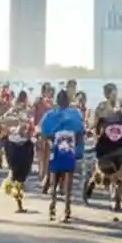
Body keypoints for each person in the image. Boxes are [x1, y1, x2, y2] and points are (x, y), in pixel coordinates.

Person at [39, 90, 86, 222]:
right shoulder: (75, 115)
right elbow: (80, 132)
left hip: (56, 150)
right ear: (67, 101)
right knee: (68, 181)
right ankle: (67, 209)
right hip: (69, 149)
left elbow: (44, 132)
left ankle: (52, 206)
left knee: (54, 180)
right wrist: (79, 151)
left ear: (57, 101)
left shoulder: (50, 115)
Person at [86, 83, 122, 219]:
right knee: (105, 172)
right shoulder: (101, 107)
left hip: (121, 143)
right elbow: (93, 124)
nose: (114, 95)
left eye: (115, 92)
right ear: (107, 94)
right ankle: (93, 182)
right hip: (106, 143)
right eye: (112, 92)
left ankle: (116, 199)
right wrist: (93, 131)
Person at [0, 91, 35, 213]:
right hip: (18, 146)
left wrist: (1, 137)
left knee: (18, 175)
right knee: (19, 176)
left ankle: (16, 197)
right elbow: (1, 124)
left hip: (14, 146)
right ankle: (18, 203)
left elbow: (0, 123)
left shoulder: (15, 112)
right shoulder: (20, 113)